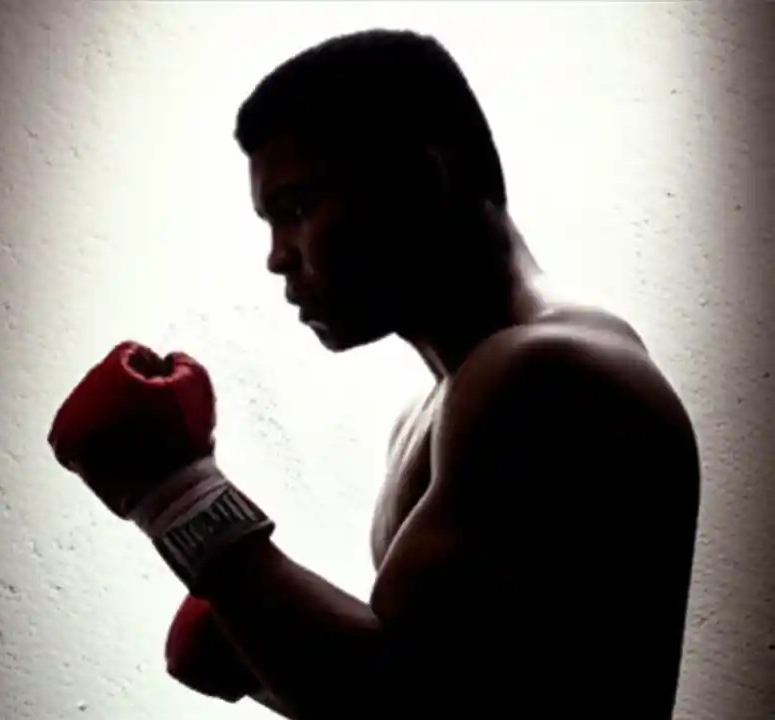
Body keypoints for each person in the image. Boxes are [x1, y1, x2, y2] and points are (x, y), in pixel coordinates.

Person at [49, 29, 700, 719]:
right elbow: (463, 688)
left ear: (422, 181)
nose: (277, 258)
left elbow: (399, 709)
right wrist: (264, 658)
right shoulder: (438, 409)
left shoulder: (549, 374)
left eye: (298, 208)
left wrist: (179, 494)